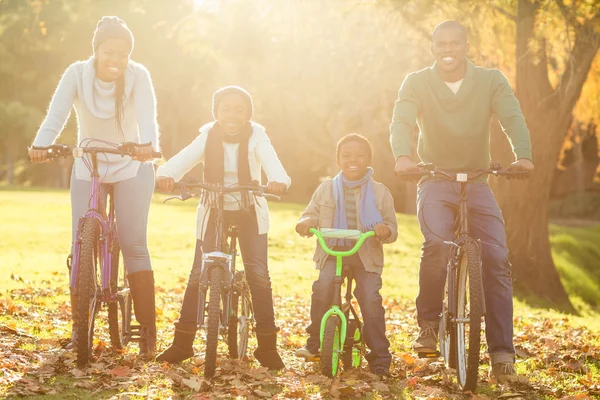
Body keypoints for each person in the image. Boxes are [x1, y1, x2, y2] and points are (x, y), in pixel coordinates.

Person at [390, 20, 534, 382]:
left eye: (455, 43)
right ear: (433, 48)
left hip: (477, 180)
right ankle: (428, 326)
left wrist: (524, 155)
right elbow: (402, 119)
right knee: (437, 244)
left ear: (467, 46)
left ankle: (502, 354)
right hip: (435, 179)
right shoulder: (417, 82)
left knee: (497, 260)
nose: (447, 49)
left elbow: (511, 116)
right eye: (441, 44)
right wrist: (403, 156)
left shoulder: (490, 81)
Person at [29, 16, 160, 359]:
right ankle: (79, 327)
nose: (115, 58)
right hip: (89, 161)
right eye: (109, 51)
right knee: (80, 235)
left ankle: (147, 332)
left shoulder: (139, 76)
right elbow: (56, 115)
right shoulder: (76, 74)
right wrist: (42, 145)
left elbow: (147, 114)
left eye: (123, 52)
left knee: (133, 243)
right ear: (97, 50)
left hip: (131, 163)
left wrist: (148, 144)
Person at [155, 86, 290, 370]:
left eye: (239, 109)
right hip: (214, 208)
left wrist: (278, 180)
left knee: (258, 274)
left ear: (248, 114)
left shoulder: (257, 136)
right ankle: (182, 344)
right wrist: (166, 174)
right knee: (197, 273)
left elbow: (273, 164)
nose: (232, 115)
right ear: (216, 112)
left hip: (249, 209)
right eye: (226, 108)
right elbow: (182, 159)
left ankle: (267, 348)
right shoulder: (207, 136)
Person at [294, 133, 398, 377]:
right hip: (333, 252)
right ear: (338, 160)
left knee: (370, 298)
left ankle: (380, 357)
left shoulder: (380, 192)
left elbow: (393, 229)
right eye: (347, 155)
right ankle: (314, 342)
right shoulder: (326, 190)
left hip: (364, 255)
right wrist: (305, 223)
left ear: (369, 160)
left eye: (360, 155)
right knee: (323, 286)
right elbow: (310, 214)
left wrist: (384, 230)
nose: (354, 160)